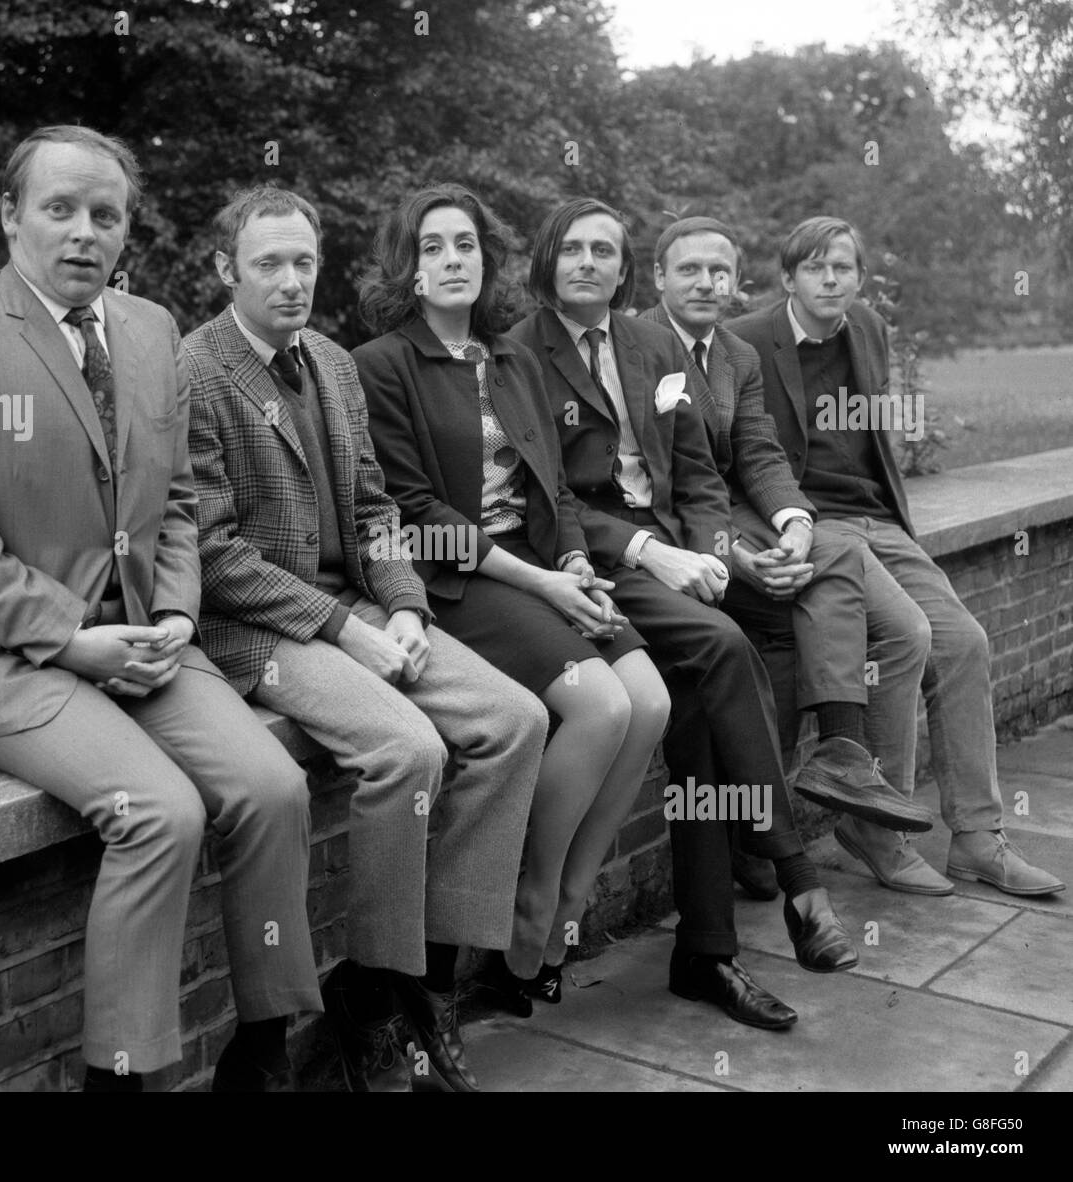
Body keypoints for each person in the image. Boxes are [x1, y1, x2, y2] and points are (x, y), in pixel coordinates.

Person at [0, 126, 322, 1094]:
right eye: (59, 209)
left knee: (273, 786)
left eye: (106, 215)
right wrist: (71, 641)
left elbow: (172, 501)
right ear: (7, 215)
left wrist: (173, 613)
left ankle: (264, 1045)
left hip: (144, 643)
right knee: (158, 812)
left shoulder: (152, 328)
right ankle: (125, 1079)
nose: (85, 232)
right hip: (2, 659)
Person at [182, 184, 548, 1092]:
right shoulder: (193, 372)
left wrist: (409, 607)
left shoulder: (335, 364)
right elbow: (214, 554)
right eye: (268, 263)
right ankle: (382, 1009)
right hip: (261, 626)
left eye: (304, 261)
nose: (290, 280)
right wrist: (351, 630)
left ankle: (417, 977)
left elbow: (379, 510)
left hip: (366, 604)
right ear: (226, 269)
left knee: (517, 720)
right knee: (408, 748)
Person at [510, 196, 861, 1031]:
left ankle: (706, 953)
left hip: (670, 554)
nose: (590, 263)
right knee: (726, 646)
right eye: (573, 250)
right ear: (547, 261)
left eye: (606, 250)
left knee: (702, 720)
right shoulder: (519, 351)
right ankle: (796, 873)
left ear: (626, 269)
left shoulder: (653, 344)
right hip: (586, 558)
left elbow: (698, 473)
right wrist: (649, 555)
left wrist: (706, 544)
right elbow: (544, 494)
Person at [353, 183, 670, 1015]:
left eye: (466, 245)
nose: (453, 260)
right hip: (463, 582)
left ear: (486, 260)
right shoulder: (383, 365)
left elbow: (556, 485)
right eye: (432, 248)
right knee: (600, 708)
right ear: (408, 270)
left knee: (651, 701)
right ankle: (533, 903)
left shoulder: (513, 359)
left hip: (544, 566)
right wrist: (544, 582)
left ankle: (570, 893)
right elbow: (414, 511)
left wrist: (575, 563)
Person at [727, 216, 1065, 897]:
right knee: (906, 635)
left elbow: (873, 442)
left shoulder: (870, 331)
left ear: (857, 276)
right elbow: (738, 459)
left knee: (965, 643)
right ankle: (880, 831)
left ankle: (977, 839)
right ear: (787, 278)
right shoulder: (746, 343)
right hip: (809, 524)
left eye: (843, 268)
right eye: (816, 267)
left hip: (880, 522)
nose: (831, 279)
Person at [640, 215, 934, 895]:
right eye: (689, 269)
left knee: (823, 558)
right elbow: (662, 488)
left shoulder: (734, 356)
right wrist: (736, 553)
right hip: (665, 539)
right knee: (794, 604)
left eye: (719, 271)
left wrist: (794, 522)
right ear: (658, 277)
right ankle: (775, 813)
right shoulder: (638, 348)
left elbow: (759, 454)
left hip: (737, 515)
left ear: (737, 281)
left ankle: (835, 760)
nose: (707, 282)